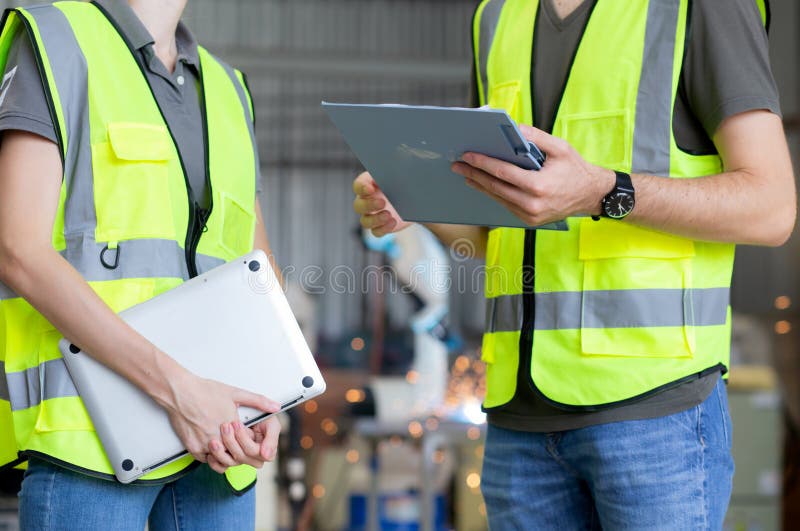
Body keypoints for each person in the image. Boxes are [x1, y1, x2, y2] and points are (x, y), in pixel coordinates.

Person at [353, 0, 795, 528]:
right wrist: (417, 202)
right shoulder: (496, 16)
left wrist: (603, 191)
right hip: (518, 423)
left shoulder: (698, 7)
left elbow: (772, 208)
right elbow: (498, 233)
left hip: (655, 413)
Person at [0, 0, 282, 528]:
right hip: (94, 446)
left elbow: (254, 264)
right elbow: (17, 250)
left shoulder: (227, 87)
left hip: (220, 451)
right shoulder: (56, 39)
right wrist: (181, 393)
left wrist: (273, 392)